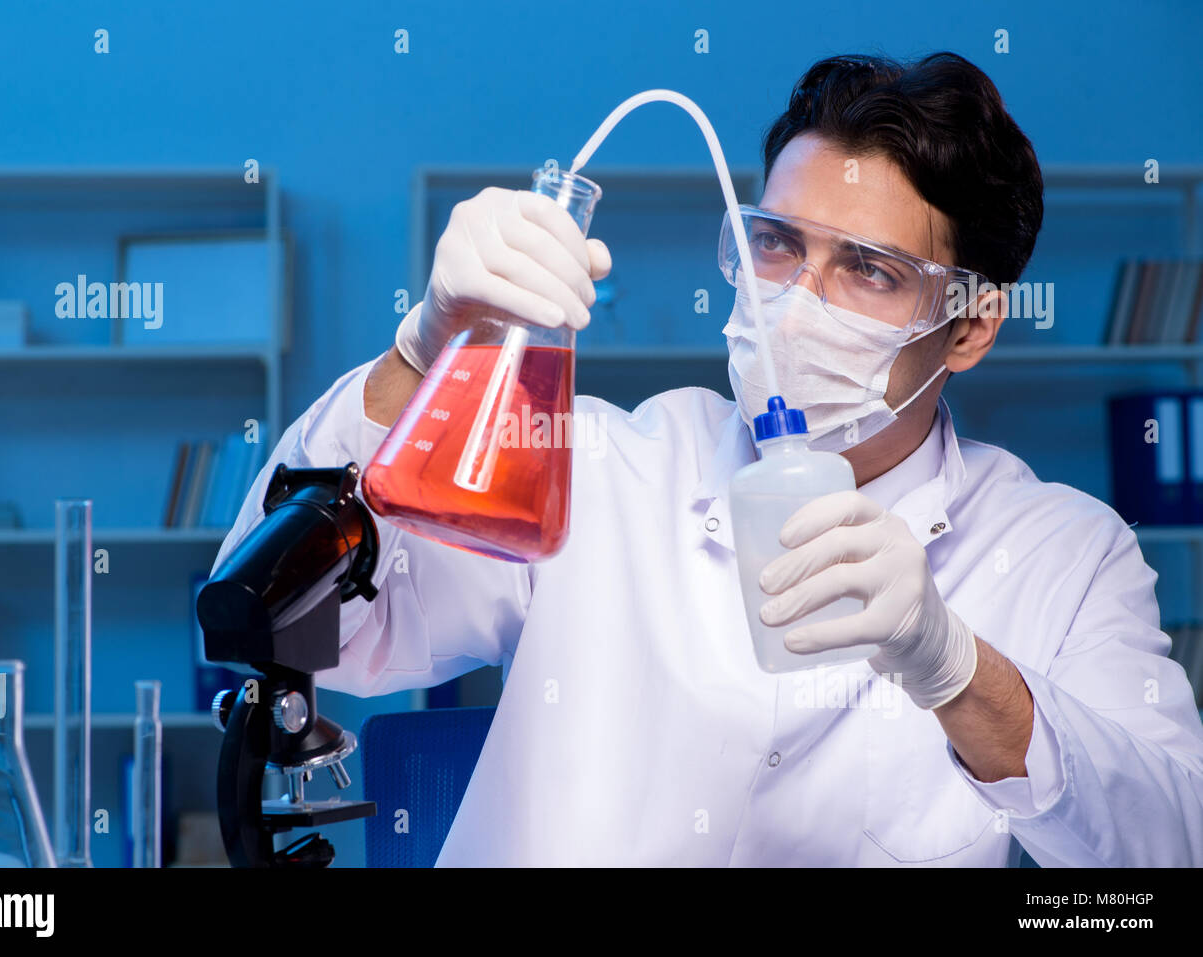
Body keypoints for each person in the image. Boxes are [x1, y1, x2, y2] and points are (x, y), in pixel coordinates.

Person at [213, 52, 1203, 865]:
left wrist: (952, 665)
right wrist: (423, 357)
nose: (795, 301)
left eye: (866, 270)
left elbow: (1168, 844)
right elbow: (280, 619)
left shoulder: (1064, 556)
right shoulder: (597, 466)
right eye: (774, 244)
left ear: (970, 327)